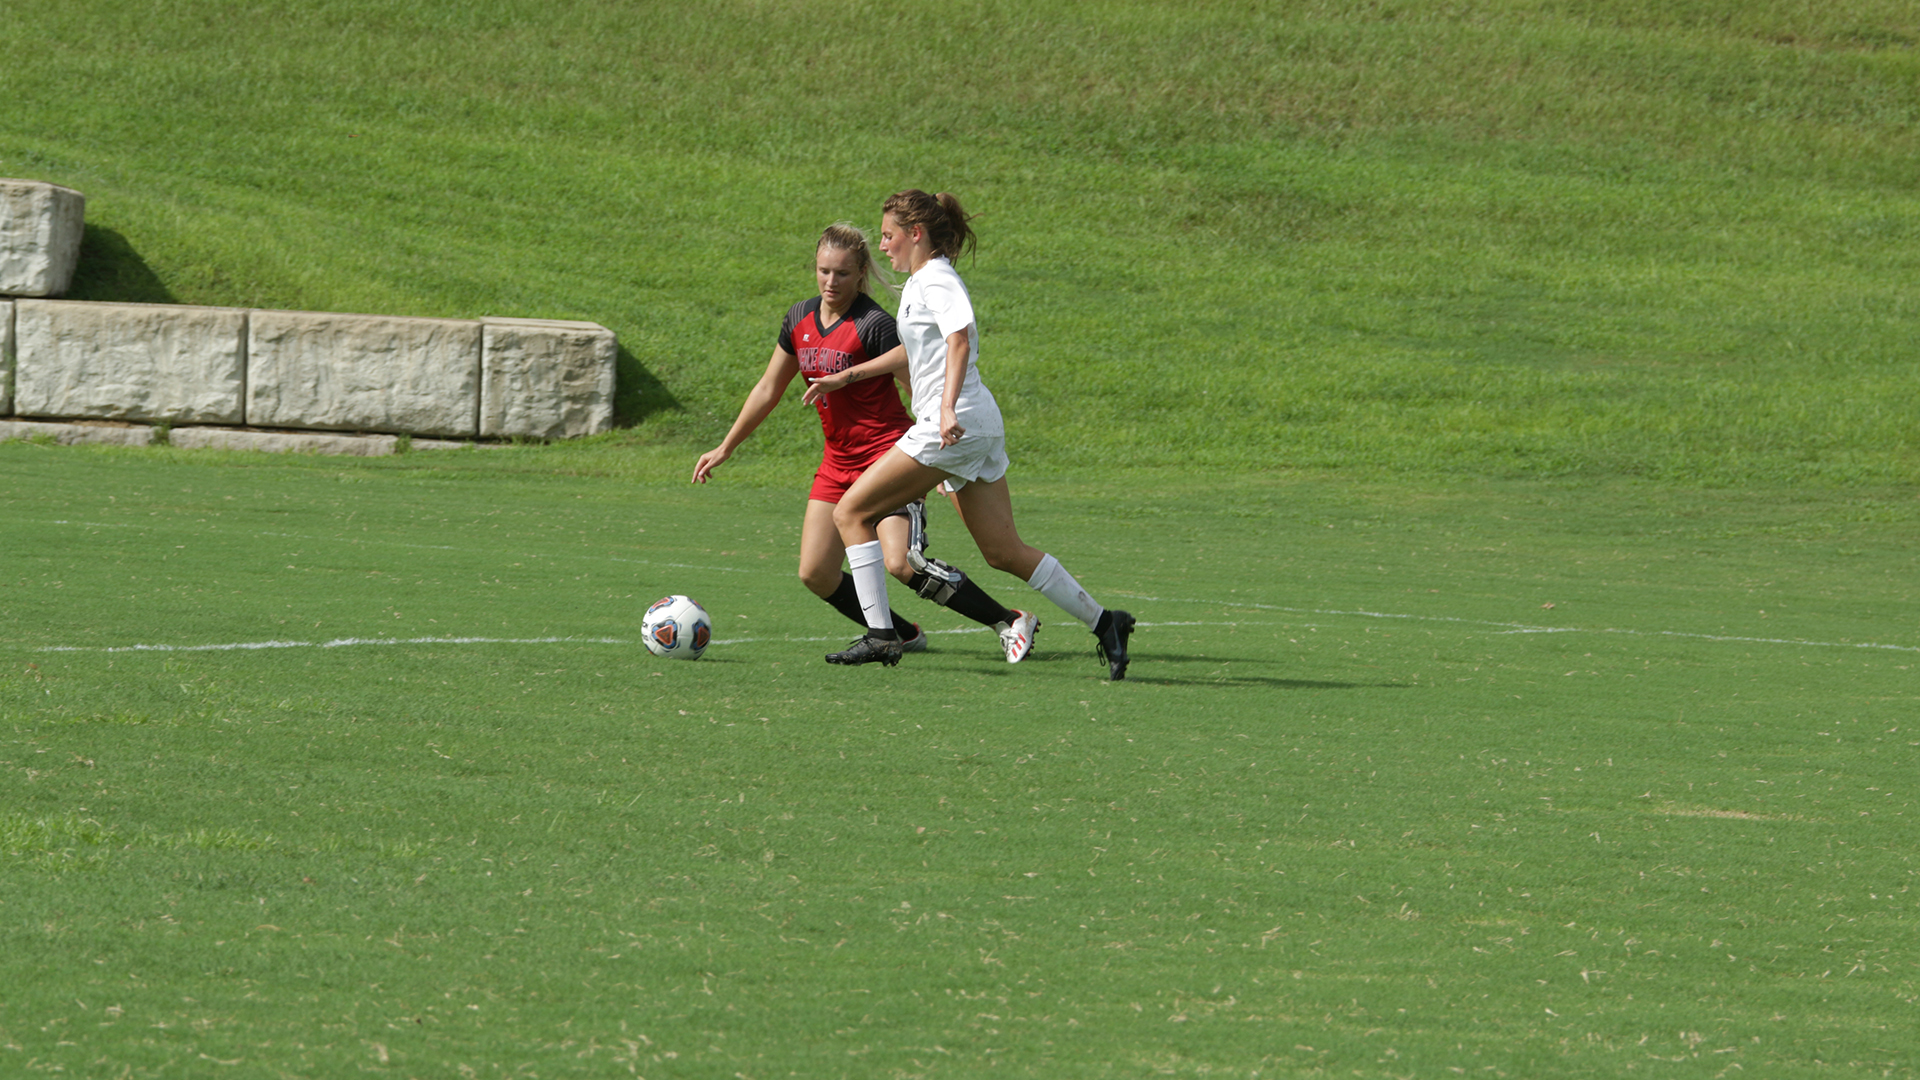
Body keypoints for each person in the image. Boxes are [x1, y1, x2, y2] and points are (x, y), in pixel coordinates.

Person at [823, 191, 1136, 679]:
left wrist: (946, 407)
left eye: (887, 236)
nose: (882, 246)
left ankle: (881, 635)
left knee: (850, 512)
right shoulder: (920, 283)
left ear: (915, 234)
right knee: (1003, 552)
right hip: (975, 426)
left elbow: (959, 340)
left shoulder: (937, 278)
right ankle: (1106, 623)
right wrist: (848, 376)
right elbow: (918, 352)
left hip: (952, 424)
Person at [692, 222, 1038, 659]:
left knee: (901, 563)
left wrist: (938, 460)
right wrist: (726, 446)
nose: (831, 282)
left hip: (885, 455)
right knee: (816, 572)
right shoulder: (799, 318)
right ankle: (901, 634)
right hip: (837, 463)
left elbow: (919, 388)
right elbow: (767, 388)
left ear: (860, 274)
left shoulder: (875, 325)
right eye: (823, 271)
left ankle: (1007, 620)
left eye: (842, 273)